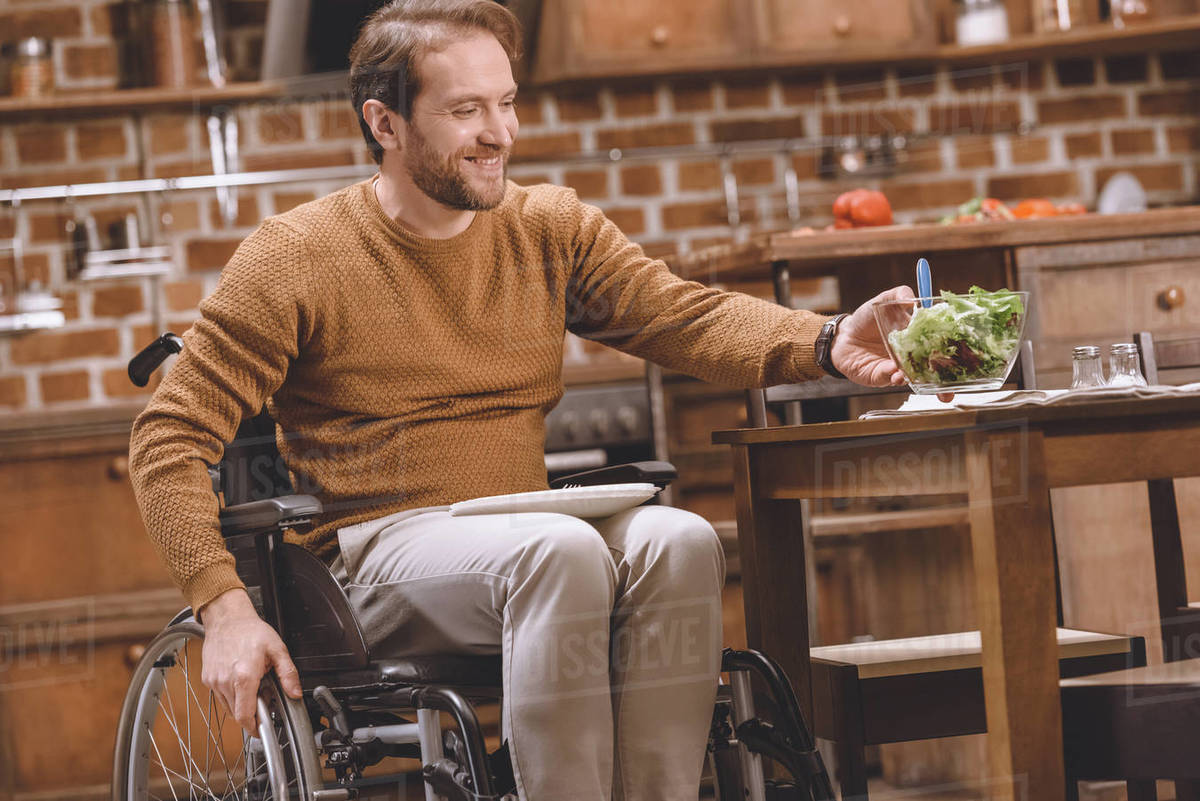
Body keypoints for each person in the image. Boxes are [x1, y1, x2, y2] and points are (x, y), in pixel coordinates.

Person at [128, 1, 919, 798]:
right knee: (560, 552)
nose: (501, 133)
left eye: (506, 102)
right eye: (466, 110)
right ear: (386, 123)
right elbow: (168, 435)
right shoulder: (297, 255)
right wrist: (222, 605)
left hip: (519, 532)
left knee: (679, 540)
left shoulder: (547, 226)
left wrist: (824, 342)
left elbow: (684, 315)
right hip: (371, 558)